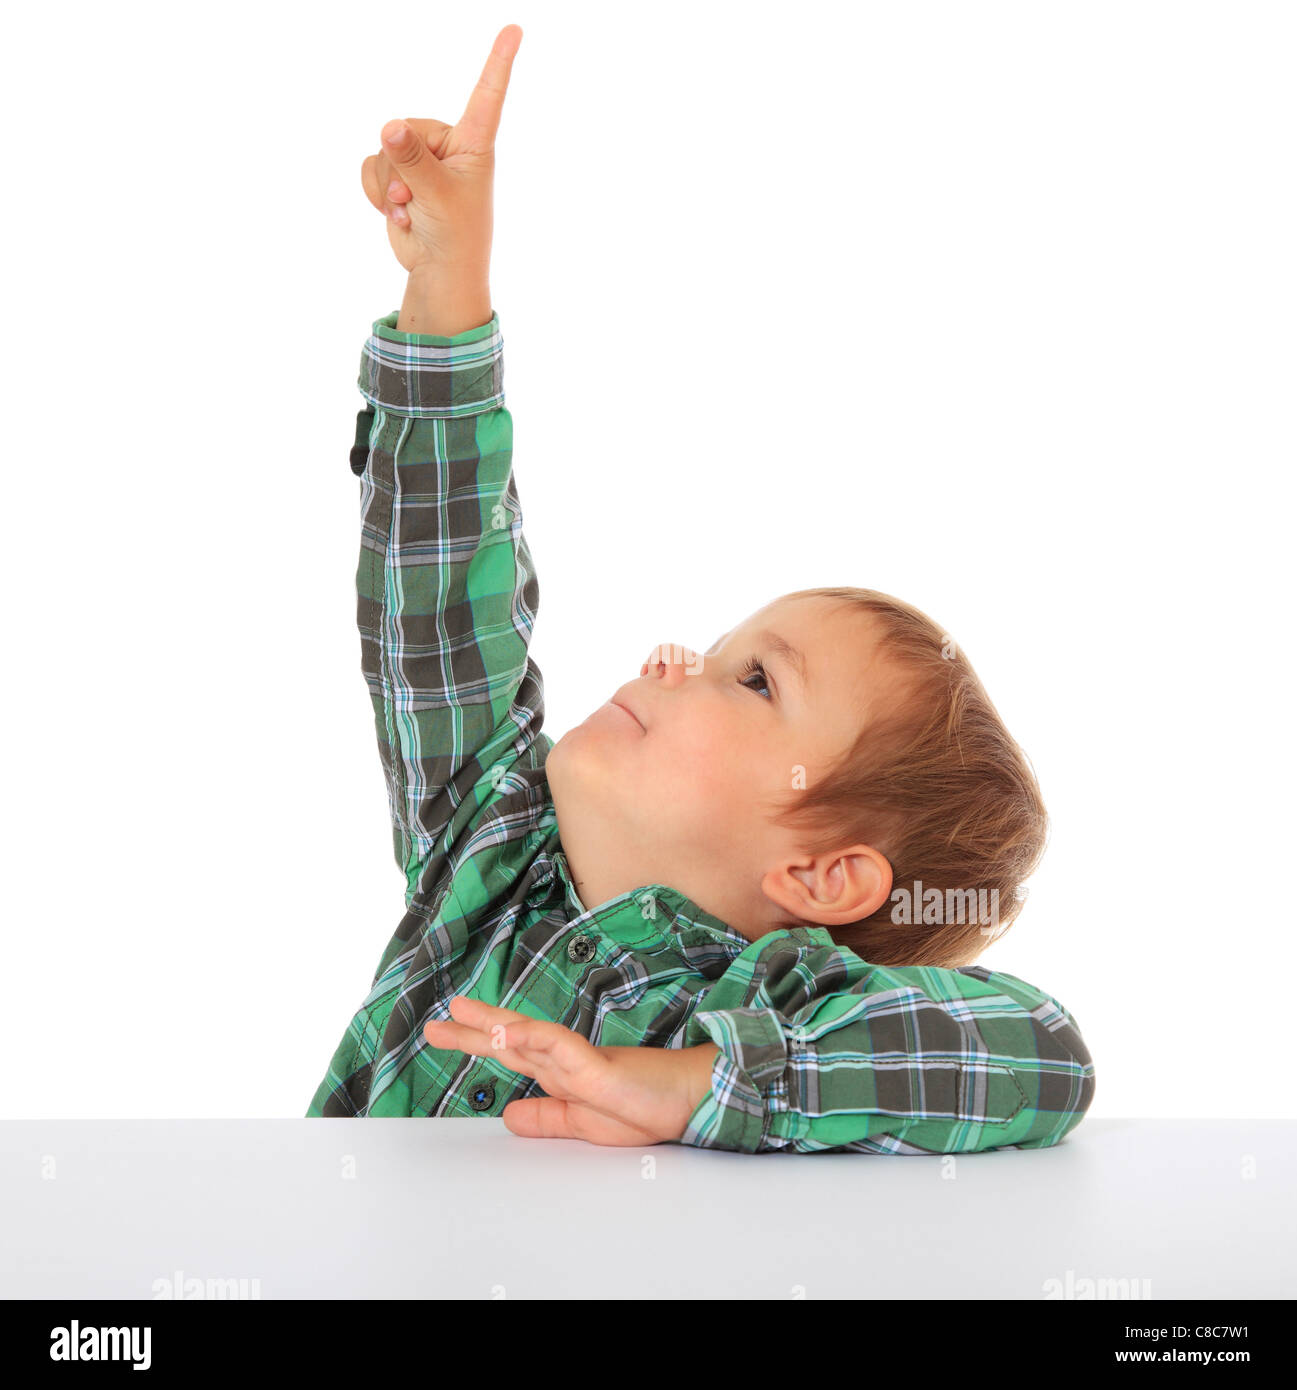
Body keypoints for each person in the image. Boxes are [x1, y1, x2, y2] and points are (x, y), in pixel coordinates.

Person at [307, 24, 1096, 1153]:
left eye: (754, 679)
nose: (672, 659)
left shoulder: (768, 1004)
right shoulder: (490, 841)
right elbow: (436, 603)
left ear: (820, 875)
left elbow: (1043, 1055)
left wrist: (689, 1086)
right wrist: (447, 288)